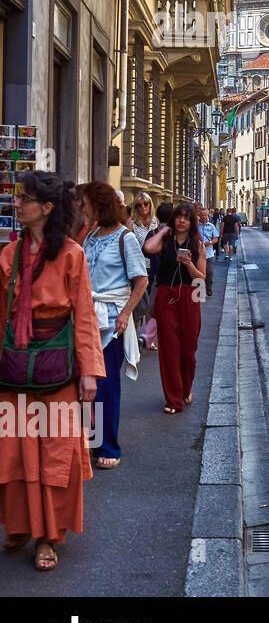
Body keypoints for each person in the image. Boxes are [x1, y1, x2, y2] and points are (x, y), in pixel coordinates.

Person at [0, 171, 105, 572]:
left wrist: (90, 372)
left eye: (25, 198)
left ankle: (48, 537)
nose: (17, 203)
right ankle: (22, 526)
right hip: (14, 371)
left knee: (55, 456)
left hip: (58, 369)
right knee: (13, 451)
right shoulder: (8, 256)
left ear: (46, 208)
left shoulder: (72, 255)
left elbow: (83, 316)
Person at [80, 181, 148, 470]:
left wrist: (125, 314)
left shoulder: (125, 238)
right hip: (86, 319)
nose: (82, 207)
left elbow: (141, 280)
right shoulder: (90, 236)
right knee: (86, 385)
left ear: (99, 204)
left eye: (85, 203)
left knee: (106, 387)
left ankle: (109, 446)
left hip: (112, 321)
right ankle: (92, 443)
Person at [143, 204, 205, 414]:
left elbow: (202, 279)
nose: (181, 221)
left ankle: (185, 390)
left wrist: (189, 265)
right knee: (169, 351)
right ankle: (173, 400)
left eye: (186, 218)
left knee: (188, 351)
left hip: (191, 295)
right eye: (178, 217)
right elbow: (148, 248)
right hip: (166, 295)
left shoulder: (198, 245)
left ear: (191, 222)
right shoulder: (166, 242)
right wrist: (162, 230)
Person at [196, 207, 218, 297]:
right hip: (198, 254)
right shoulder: (196, 226)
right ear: (199, 216)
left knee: (209, 272)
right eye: (202, 215)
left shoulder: (211, 226)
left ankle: (208, 287)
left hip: (209, 254)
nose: (204, 217)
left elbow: (216, 238)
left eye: (205, 215)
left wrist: (210, 242)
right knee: (199, 273)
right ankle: (200, 291)